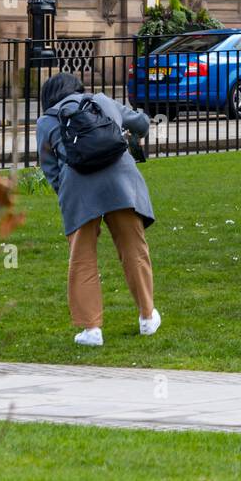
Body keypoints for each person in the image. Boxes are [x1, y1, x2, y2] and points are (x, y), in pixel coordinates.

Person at [37, 72, 160, 348]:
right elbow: (141, 122)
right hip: (121, 182)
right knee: (133, 250)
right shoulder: (102, 101)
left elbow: (50, 166)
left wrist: (66, 189)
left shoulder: (46, 121)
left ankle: (91, 329)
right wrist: (134, 139)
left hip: (78, 189)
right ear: (79, 88)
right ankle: (147, 316)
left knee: (82, 259)